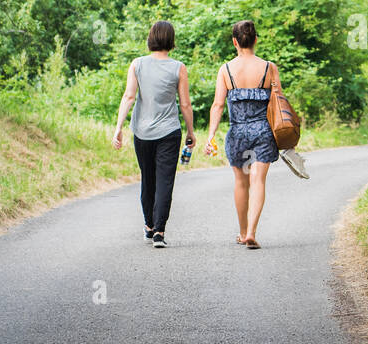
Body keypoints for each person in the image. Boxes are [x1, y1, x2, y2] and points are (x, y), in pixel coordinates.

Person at [112, 20, 195, 248]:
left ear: (151, 38)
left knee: (148, 179)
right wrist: (190, 131)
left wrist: (118, 128)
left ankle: (149, 225)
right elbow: (185, 105)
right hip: (169, 132)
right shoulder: (178, 67)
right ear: (171, 40)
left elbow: (129, 97)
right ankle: (159, 232)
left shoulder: (137, 64)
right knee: (165, 181)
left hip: (142, 132)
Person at [204, 19, 282, 249]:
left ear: (234, 42)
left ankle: (241, 231)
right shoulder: (269, 68)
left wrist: (210, 136)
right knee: (258, 180)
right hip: (263, 132)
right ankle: (251, 232)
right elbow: (278, 103)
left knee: (241, 182)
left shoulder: (226, 69)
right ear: (256, 40)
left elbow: (218, 105)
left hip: (237, 133)